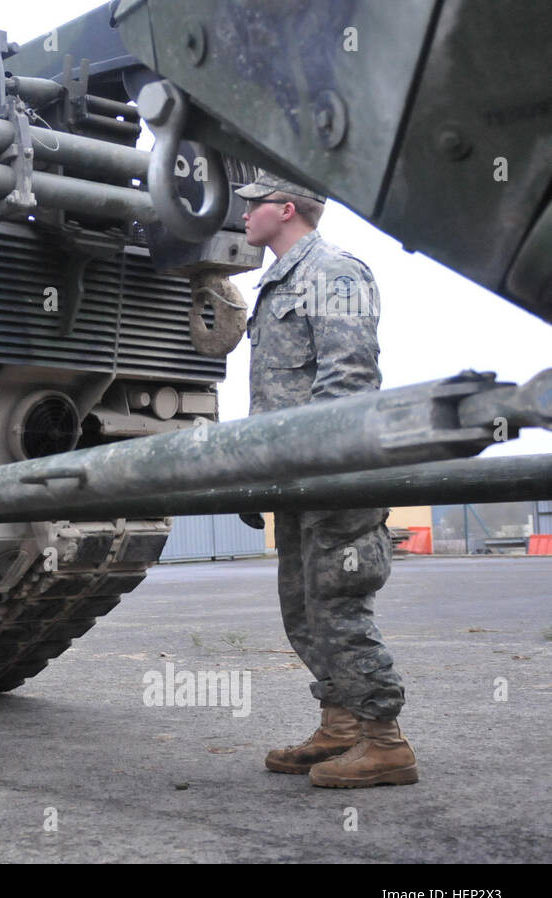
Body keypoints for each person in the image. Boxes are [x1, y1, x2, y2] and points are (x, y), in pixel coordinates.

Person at [236, 170, 418, 788]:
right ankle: (341, 727)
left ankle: (386, 743)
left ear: (285, 209)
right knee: (303, 608)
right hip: (293, 477)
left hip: (332, 474)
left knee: (339, 606)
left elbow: (349, 380)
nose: (242, 215)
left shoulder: (334, 272)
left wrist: (309, 464)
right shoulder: (277, 282)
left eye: (252, 205)